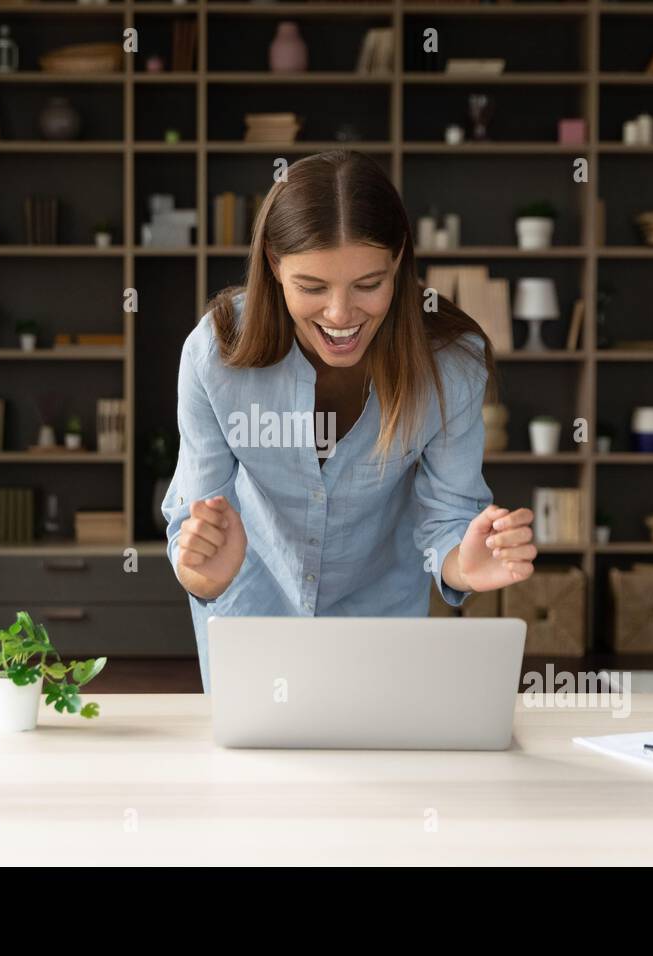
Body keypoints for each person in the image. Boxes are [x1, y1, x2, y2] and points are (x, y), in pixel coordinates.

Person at [161, 150, 537, 691]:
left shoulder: (451, 364)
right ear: (273, 263)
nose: (341, 316)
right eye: (312, 287)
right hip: (251, 615)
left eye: (368, 284)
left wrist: (464, 564)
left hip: (380, 627)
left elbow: (449, 520)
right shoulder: (214, 355)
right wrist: (204, 571)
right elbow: (191, 529)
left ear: (399, 259)